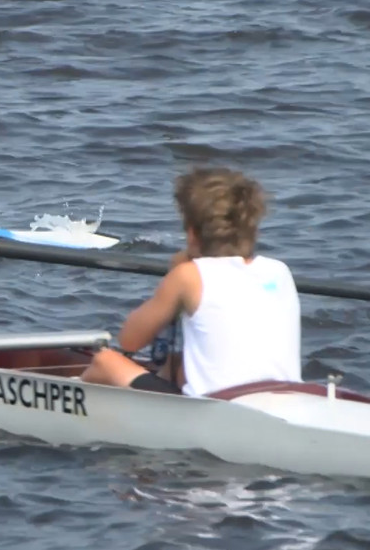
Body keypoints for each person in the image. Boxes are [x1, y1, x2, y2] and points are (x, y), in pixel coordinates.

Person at [81, 167, 301, 396]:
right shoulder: (279, 271)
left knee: (105, 360)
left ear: (193, 234)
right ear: (253, 230)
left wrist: (176, 273)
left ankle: (78, 407)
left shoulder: (187, 275)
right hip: (288, 397)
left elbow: (129, 340)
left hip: (217, 410)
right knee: (178, 361)